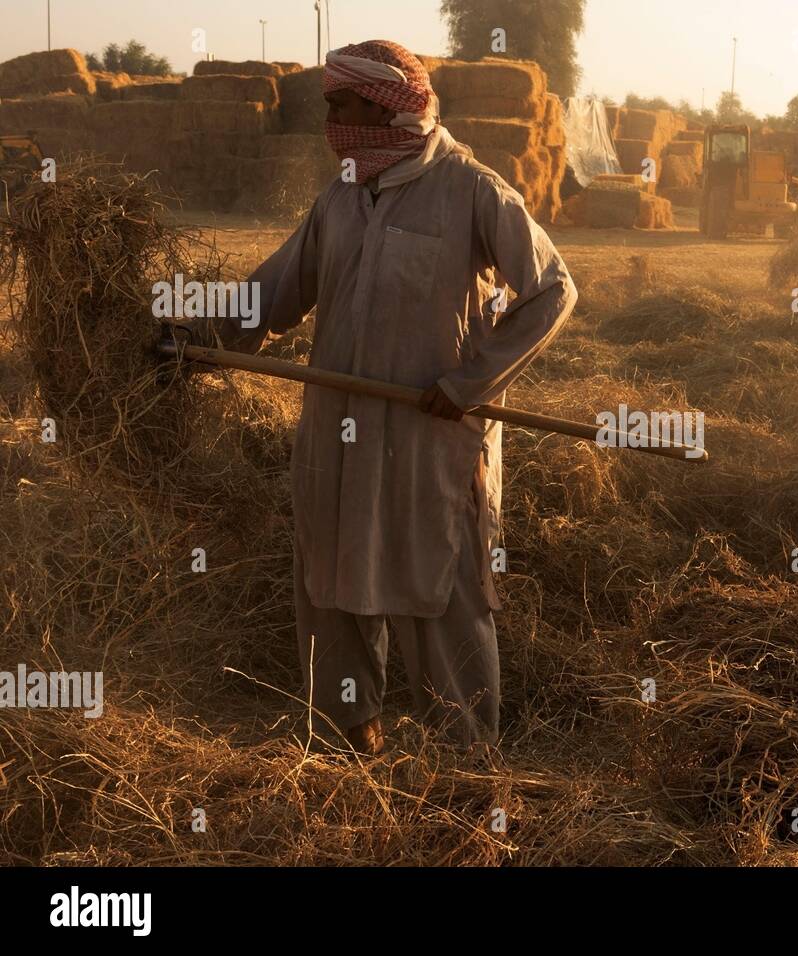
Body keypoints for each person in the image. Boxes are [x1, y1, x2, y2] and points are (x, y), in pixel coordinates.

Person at [166, 40, 578, 754]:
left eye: (340, 105)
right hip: (335, 437)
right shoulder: (342, 197)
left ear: (387, 107)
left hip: (430, 441)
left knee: (440, 592)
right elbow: (270, 294)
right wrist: (189, 335)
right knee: (332, 591)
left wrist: (468, 384)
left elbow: (551, 290)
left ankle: (468, 778)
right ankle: (349, 753)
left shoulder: (472, 190)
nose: (329, 122)